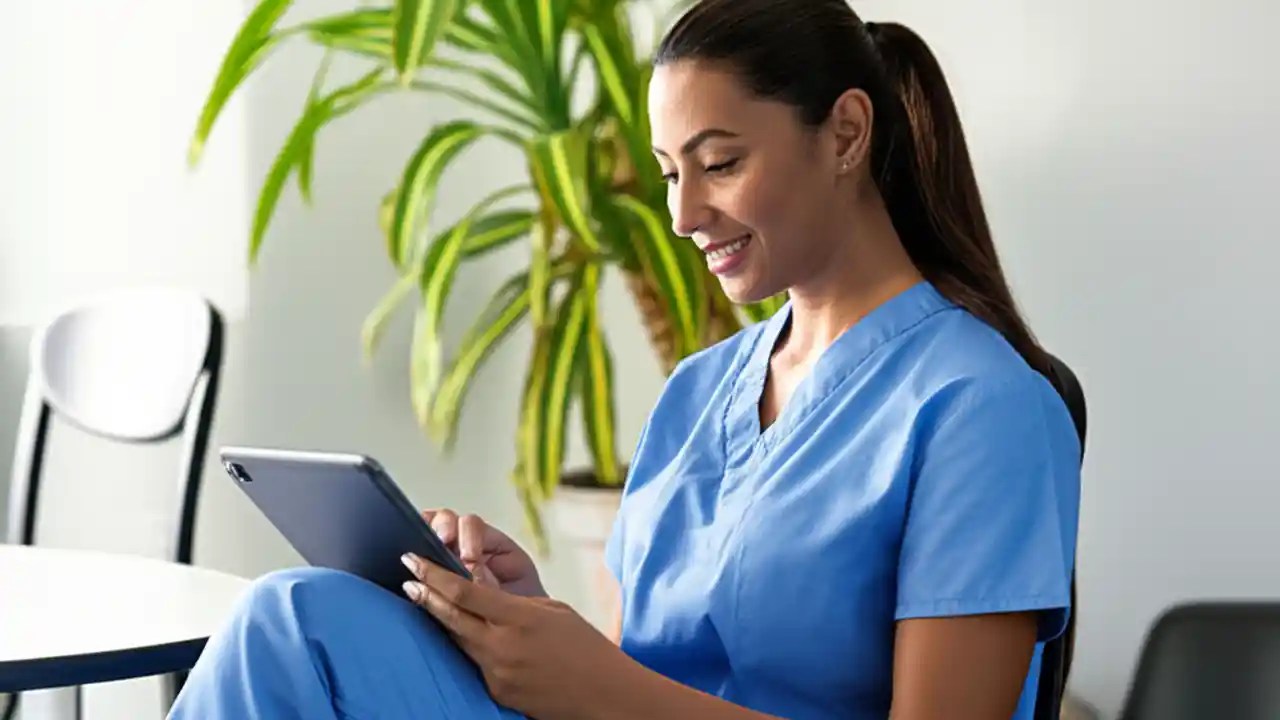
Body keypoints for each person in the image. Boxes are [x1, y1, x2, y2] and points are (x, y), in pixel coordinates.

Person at [168, 0, 1081, 718]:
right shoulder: (702, 389)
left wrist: (596, 687)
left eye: (719, 163)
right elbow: (650, 674)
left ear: (845, 133)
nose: (683, 217)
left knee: (293, 631)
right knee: (298, 621)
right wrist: (525, 619)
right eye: (670, 174)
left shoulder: (981, 406)